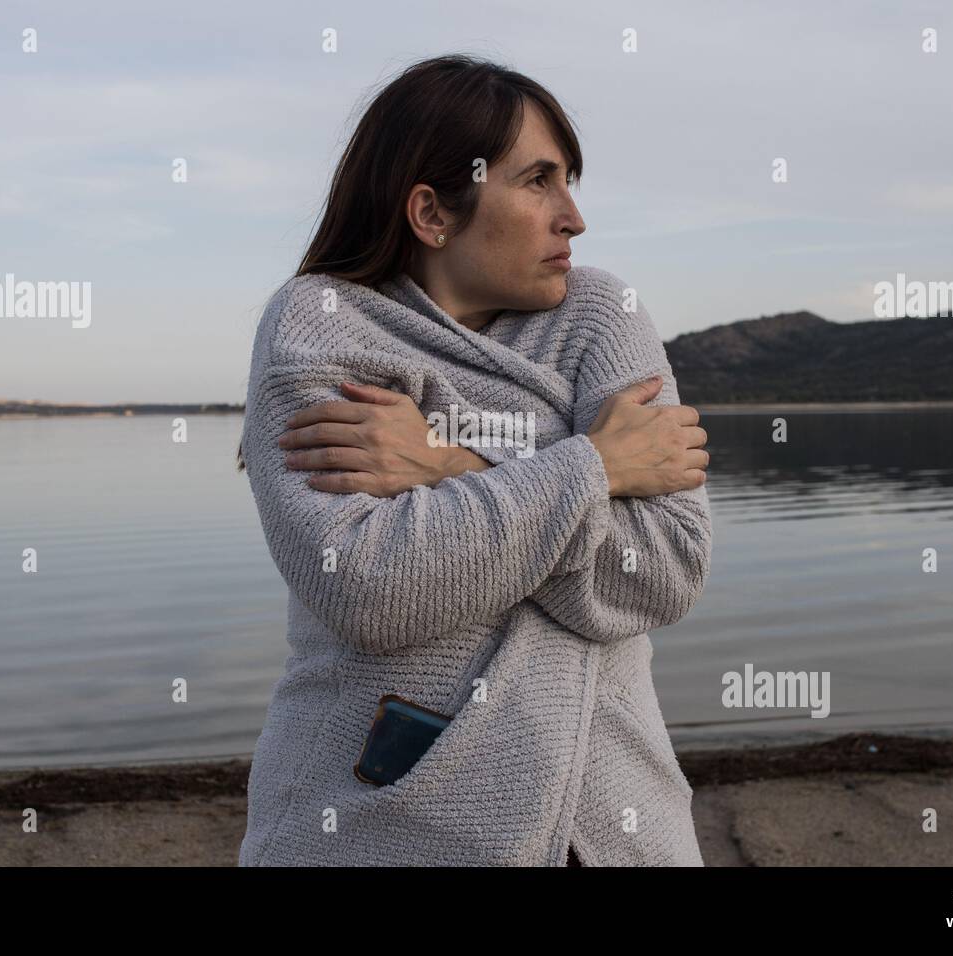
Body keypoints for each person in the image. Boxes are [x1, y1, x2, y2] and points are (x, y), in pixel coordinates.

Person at [237, 53, 712, 867]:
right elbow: (369, 589)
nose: (574, 217)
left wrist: (450, 465)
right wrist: (597, 467)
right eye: (538, 182)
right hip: (375, 821)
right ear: (431, 212)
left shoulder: (601, 316)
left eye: (571, 181)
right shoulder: (319, 324)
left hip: (610, 826)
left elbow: (662, 571)